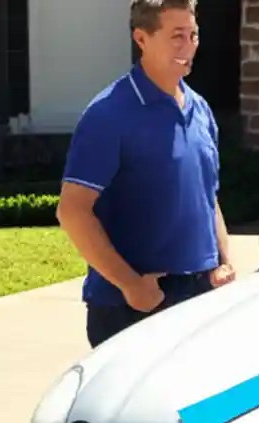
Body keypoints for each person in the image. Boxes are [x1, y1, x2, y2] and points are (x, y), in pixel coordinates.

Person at [56, 0, 235, 348]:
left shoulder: (200, 110)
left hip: (201, 295)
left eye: (194, 34)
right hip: (134, 305)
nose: (189, 46)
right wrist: (131, 285)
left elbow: (206, 197)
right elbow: (73, 211)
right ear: (142, 38)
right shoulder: (109, 114)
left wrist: (223, 262)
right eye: (176, 36)